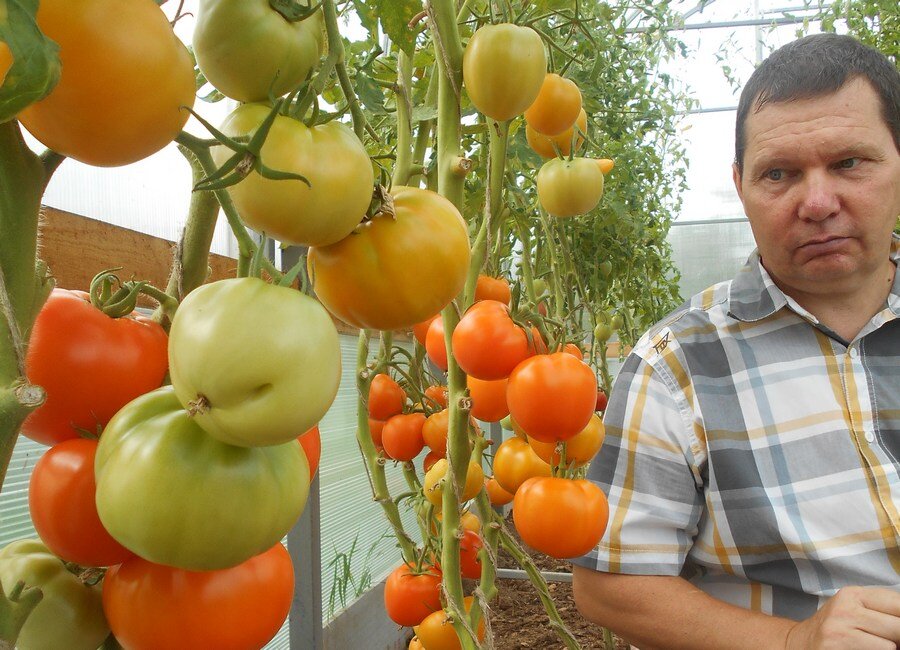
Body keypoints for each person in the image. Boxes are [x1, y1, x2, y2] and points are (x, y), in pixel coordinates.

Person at [572, 33, 900, 649]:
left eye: (850, 163)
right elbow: (607, 584)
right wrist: (793, 641)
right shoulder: (676, 366)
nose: (819, 202)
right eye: (779, 174)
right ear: (741, 186)